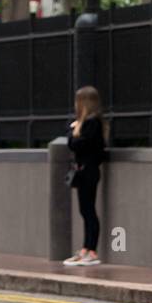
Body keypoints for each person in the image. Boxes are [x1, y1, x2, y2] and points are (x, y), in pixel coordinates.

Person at [64, 85, 107, 267]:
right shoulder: (83, 123)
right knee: (84, 210)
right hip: (83, 171)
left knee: (89, 211)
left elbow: (76, 145)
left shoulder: (92, 123)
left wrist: (73, 133)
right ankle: (85, 249)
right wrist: (73, 131)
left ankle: (92, 250)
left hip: (89, 171)